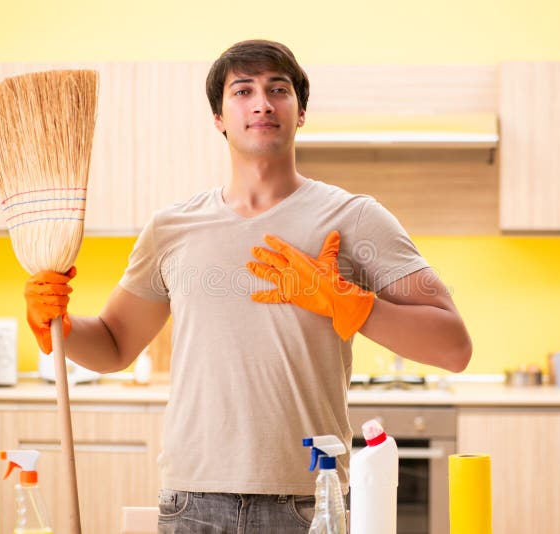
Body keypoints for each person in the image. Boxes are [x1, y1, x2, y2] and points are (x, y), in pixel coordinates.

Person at [25, 39, 472, 533]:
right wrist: (60, 326)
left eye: (278, 89)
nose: (262, 103)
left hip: (309, 500)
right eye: (243, 91)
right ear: (218, 117)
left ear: (301, 112)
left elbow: (454, 348)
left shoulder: (355, 218)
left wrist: (348, 303)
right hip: (193, 502)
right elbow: (113, 346)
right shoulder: (171, 229)